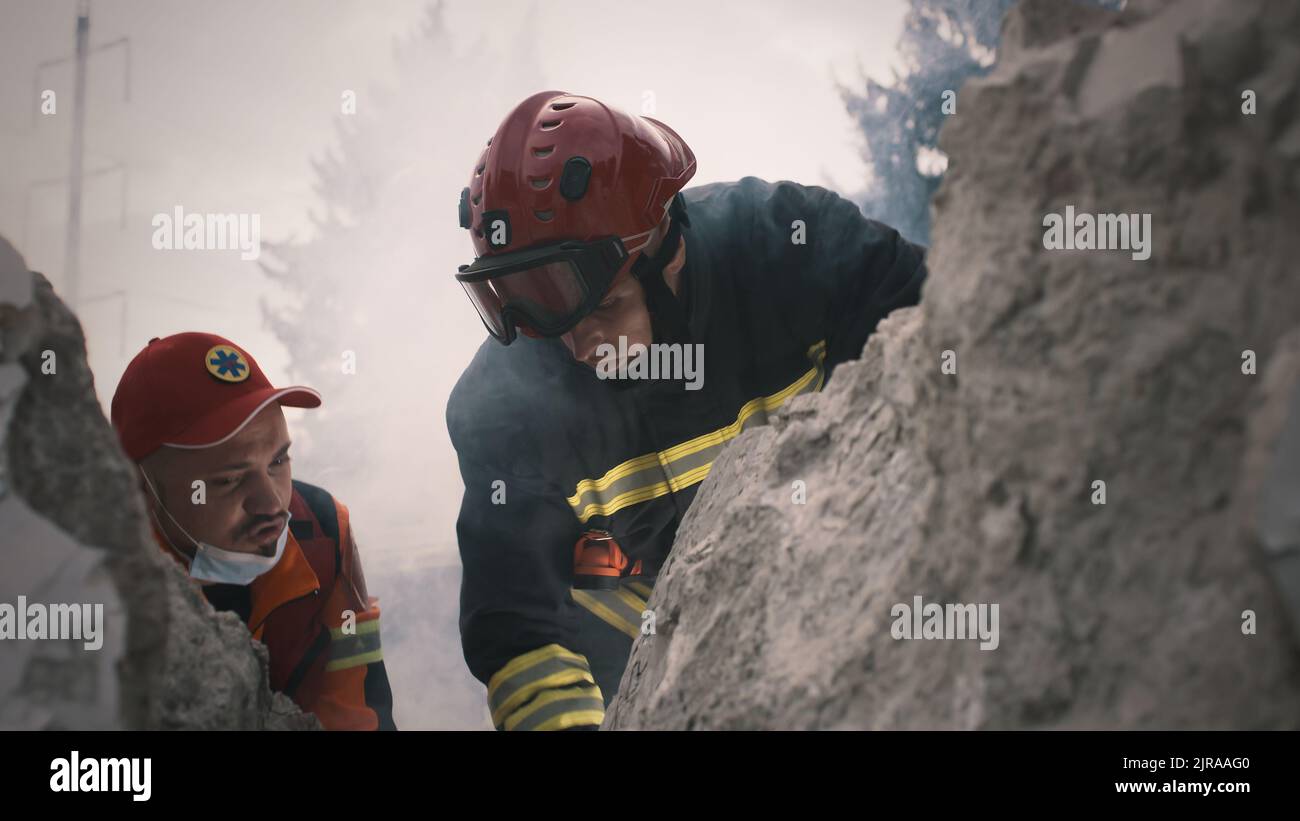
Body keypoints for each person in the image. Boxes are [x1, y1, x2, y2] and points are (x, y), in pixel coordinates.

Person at [447, 90, 927, 731]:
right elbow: (521, 629)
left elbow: (950, 359)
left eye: (604, 309)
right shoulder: (502, 410)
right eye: (546, 322)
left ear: (665, 254)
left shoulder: (791, 250)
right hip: (651, 685)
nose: (582, 347)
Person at [112, 332, 395, 730]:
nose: (273, 503)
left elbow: (356, 710)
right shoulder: (99, 581)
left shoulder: (324, 529)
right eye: (229, 480)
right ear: (139, 487)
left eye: (279, 460)